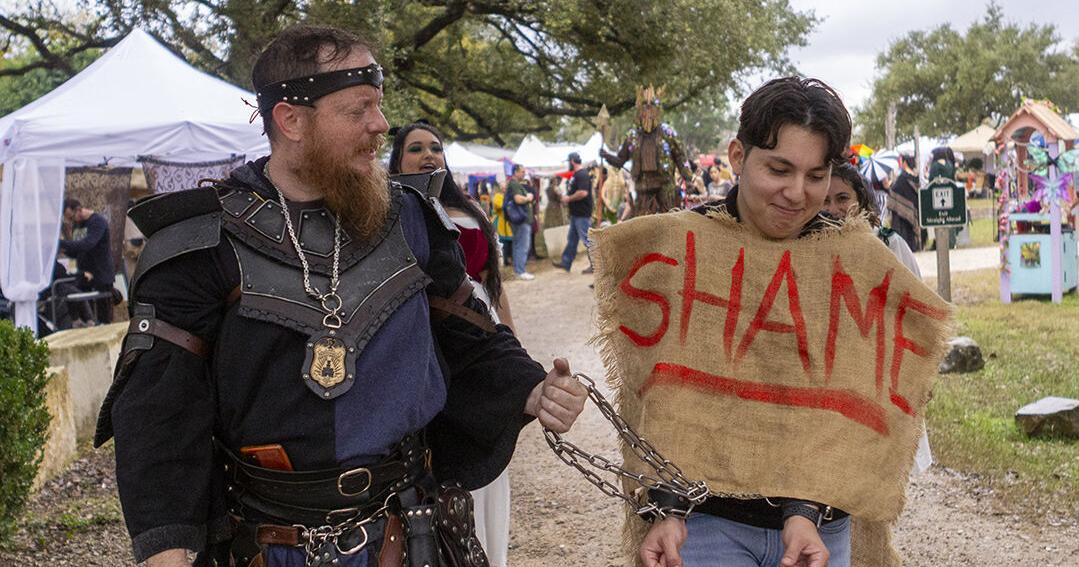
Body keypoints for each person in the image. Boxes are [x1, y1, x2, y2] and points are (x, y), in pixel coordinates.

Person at [96, 25, 587, 567]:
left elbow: (473, 338)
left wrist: (531, 390)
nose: (380, 125)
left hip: (409, 530)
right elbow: (159, 411)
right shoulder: (200, 242)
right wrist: (166, 548)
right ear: (291, 120)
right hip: (267, 545)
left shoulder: (412, 220)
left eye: (378, 106)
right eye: (358, 110)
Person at [639, 77, 853, 567]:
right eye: (779, 169)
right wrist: (667, 507)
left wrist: (804, 511)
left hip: (820, 526)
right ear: (738, 157)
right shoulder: (681, 253)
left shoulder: (853, 264)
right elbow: (663, 393)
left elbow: (853, 401)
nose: (797, 193)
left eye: (816, 176)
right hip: (706, 522)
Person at [388, 121, 516, 567]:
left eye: (436, 148)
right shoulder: (387, 215)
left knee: (482, 436)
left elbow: (493, 287)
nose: (428, 155)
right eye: (415, 148)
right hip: (423, 332)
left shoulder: (470, 212)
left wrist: (511, 348)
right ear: (397, 160)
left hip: (476, 327)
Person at [600, 85, 694, 217]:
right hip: (643, 188)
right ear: (639, 111)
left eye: (651, 107)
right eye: (644, 107)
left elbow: (680, 157)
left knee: (669, 221)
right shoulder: (632, 136)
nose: (648, 112)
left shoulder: (668, 133)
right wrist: (607, 156)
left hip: (665, 186)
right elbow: (621, 160)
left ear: (657, 111)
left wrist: (688, 179)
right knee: (644, 225)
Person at [59, 198, 116, 325]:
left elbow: (87, 244)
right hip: (84, 276)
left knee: (104, 318)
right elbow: (76, 251)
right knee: (86, 314)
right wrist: (63, 249)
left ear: (78, 210)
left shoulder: (98, 222)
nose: (72, 221)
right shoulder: (77, 225)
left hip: (101, 275)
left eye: (72, 217)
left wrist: (62, 243)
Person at [551, 152, 595, 274]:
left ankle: (597, 265)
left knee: (588, 240)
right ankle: (566, 262)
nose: (567, 164)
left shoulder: (582, 174)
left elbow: (583, 193)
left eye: (568, 162)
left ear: (572, 161)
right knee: (572, 240)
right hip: (576, 213)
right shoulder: (577, 175)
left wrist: (568, 198)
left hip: (582, 213)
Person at [505, 164, 536, 280]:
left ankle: (518, 270)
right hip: (521, 220)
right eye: (522, 171)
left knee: (517, 244)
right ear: (515, 172)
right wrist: (529, 197)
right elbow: (518, 199)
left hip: (518, 220)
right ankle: (521, 271)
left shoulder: (513, 184)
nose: (524, 174)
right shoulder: (514, 184)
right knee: (523, 245)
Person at [887, 155, 923, 252]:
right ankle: (915, 246)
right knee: (912, 229)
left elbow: (893, 193)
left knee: (903, 231)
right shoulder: (917, 178)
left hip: (901, 213)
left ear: (905, 163)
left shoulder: (902, 178)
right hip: (915, 209)